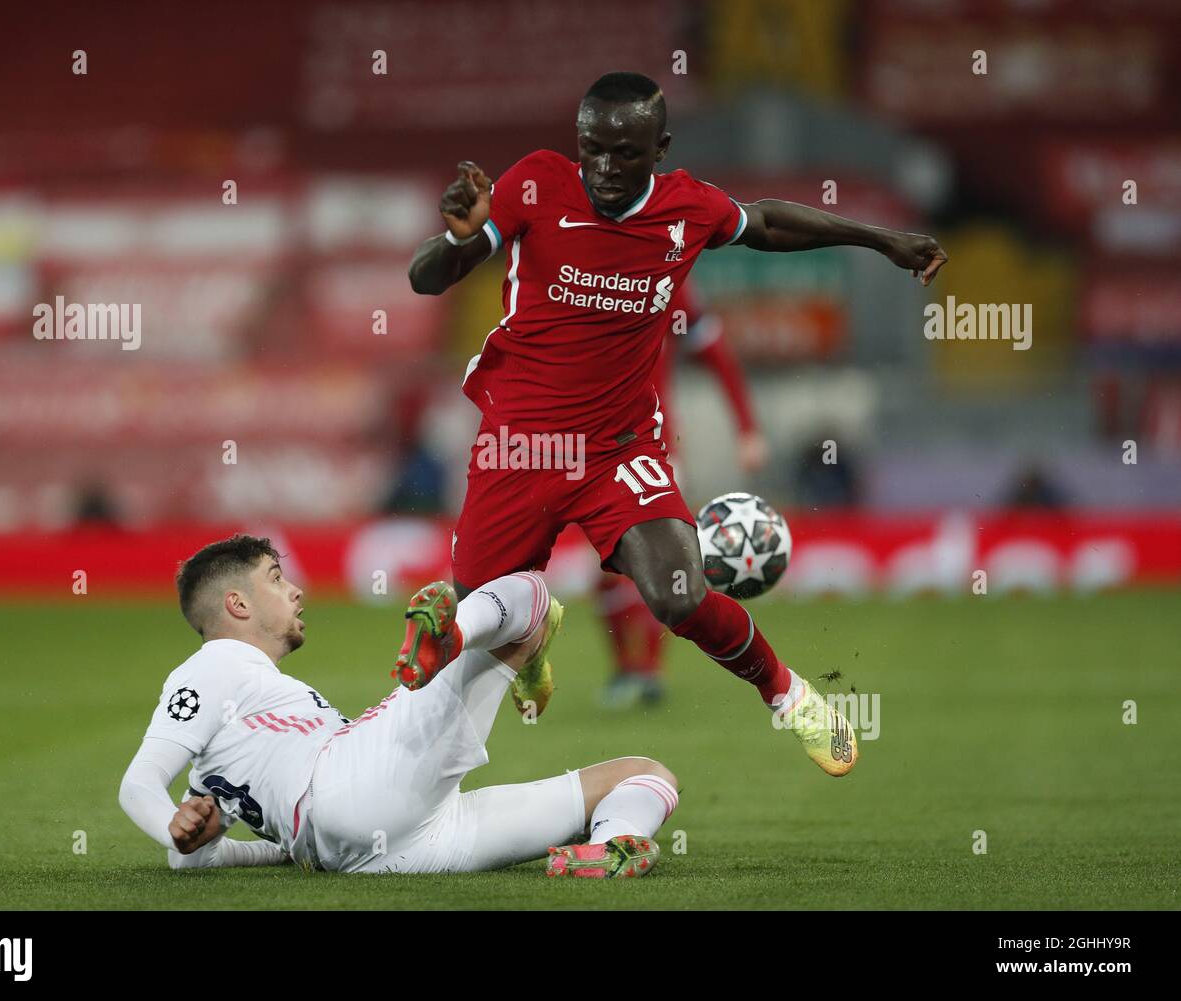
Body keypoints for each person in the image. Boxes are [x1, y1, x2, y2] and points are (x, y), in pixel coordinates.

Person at [407, 72, 943, 774]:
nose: (602, 167)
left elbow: (769, 221)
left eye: (624, 153)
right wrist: (456, 241)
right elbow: (426, 278)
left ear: (658, 149)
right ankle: (532, 641)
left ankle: (790, 695)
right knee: (480, 621)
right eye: (591, 148)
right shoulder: (534, 185)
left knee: (679, 594)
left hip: (618, 448)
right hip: (521, 445)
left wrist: (881, 240)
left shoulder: (687, 208)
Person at [118, 534, 678, 878]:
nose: (295, 591)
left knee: (646, 776)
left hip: (385, 845)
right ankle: (460, 636)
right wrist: (170, 825)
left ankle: (610, 848)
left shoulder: (237, 737)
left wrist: (193, 834)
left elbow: (190, 859)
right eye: (275, 578)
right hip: (351, 784)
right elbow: (139, 783)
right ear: (235, 604)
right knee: (524, 587)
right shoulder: (213, 665)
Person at [596, 277, 766, 709]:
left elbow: (717, 354)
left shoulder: (670, 285)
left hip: (654, 444)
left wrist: (746, 427)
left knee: (662, 560)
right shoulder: (581, 275)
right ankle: (625, 669)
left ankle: (650, 671)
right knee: (607, 567)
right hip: (592, 446)